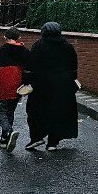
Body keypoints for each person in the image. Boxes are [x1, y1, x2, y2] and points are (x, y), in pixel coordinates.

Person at [25, 22, 79, 152]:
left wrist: (27, 80)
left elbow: (31, 66)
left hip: (42, 86)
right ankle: (53, 142)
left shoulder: (39, 46)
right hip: (63, 87)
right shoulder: (68, 47)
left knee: (35, 111)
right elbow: (73, 67)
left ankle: (37, 137)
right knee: (58, 113)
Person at [0, 27, 33, 152]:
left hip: (2, 84)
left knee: (0, 112)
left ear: (5, 38)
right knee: (9, 111)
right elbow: (30, 67)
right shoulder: (24, 51)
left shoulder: (0, 51)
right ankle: (4, 139)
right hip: (17, 85)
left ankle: (8, 131)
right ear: (19, 38)